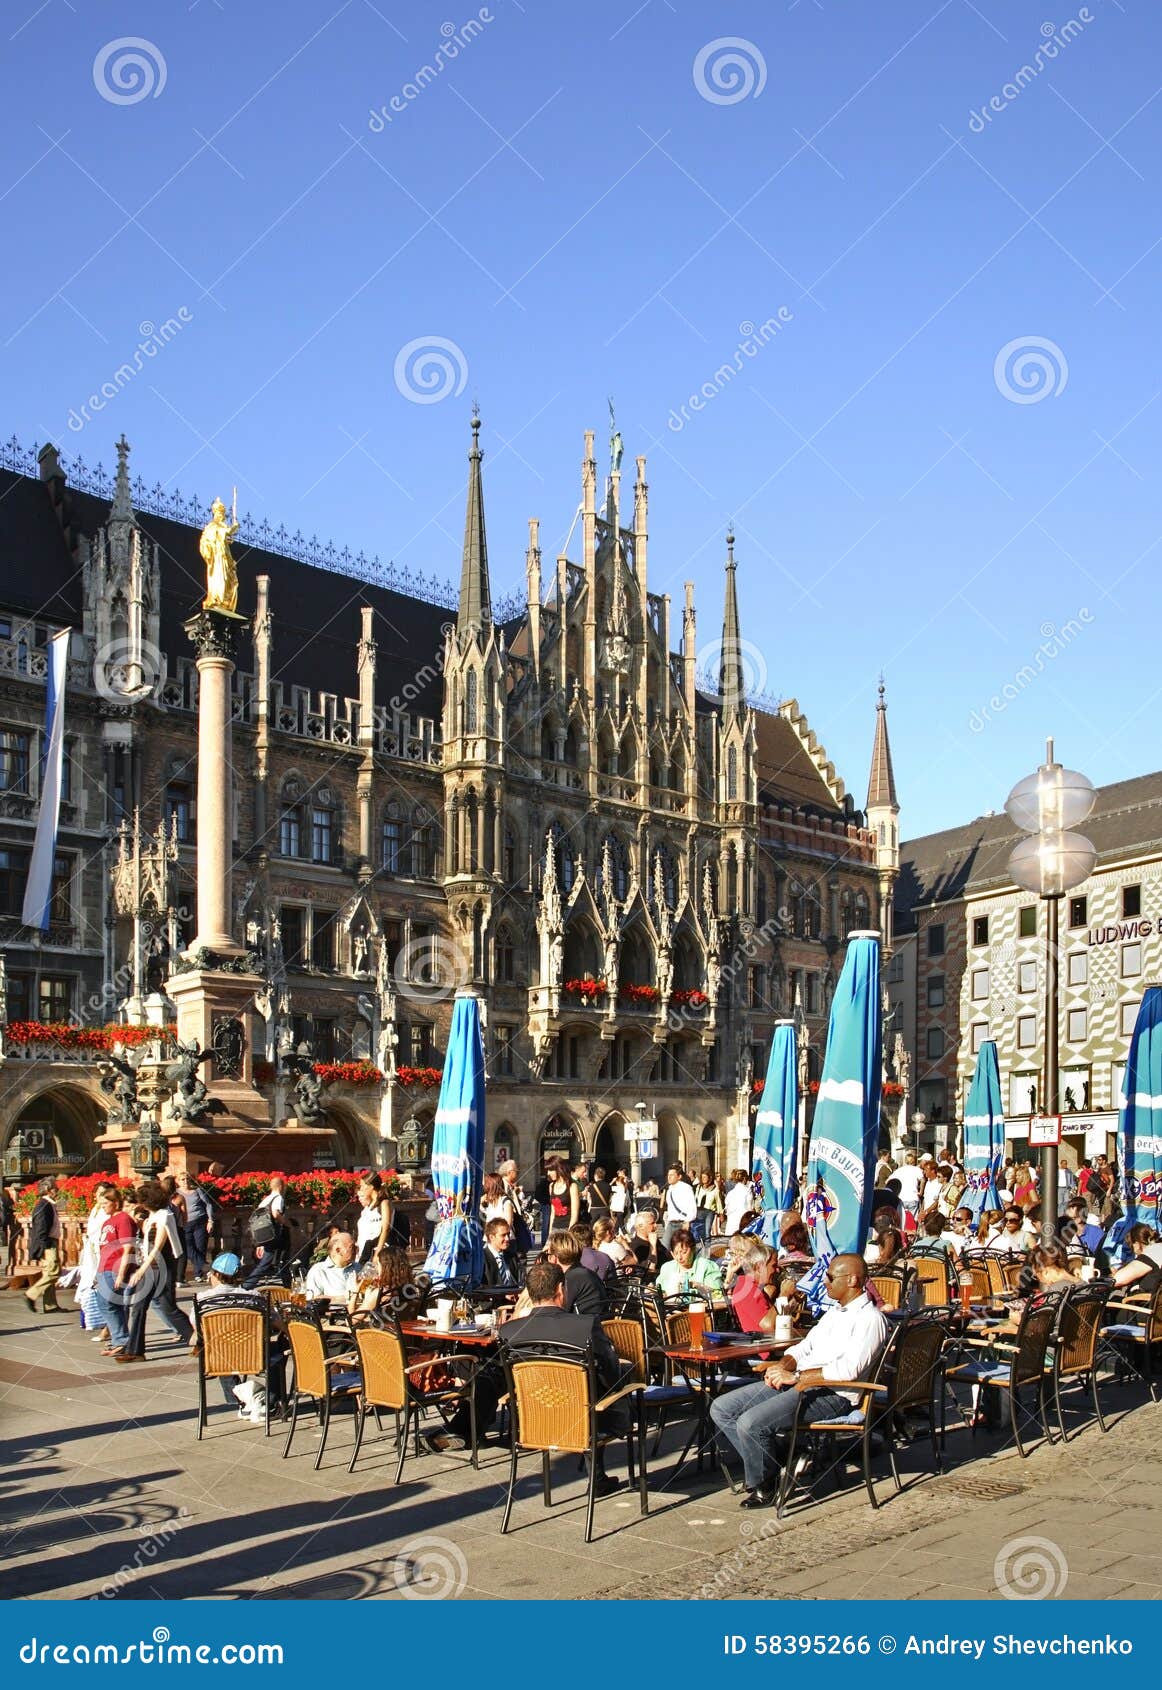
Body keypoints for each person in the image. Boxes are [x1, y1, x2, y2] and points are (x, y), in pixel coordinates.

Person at [710, 1253, 889, 1507]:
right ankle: (780, 1459)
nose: (824, 1282)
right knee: (722, 1408)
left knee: (751, 1423)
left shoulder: (870, 1320)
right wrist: (783, 1364)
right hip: (800, 1382)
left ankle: (765, 1484)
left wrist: (794, 1376)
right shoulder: (834, 1314)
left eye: (829, 1277)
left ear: (851, 1280)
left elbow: (848, 1370)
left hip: (833, 1394)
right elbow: (804, 1347)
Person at [502, 1260, 631, 1494]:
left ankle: (598, 1475)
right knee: (616, 1380)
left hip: (533, 1422)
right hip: (583, 1420)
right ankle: (601, 1475)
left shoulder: (510, 1332)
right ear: (561, 1290)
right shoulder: (584, 1326)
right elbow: (610, 1370)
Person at [128, 1181, 194, 1351]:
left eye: (141, 1201)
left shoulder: (165, 1216)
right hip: (151, 1267)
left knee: (168, 1307)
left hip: (161, 1268)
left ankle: (197, 1340)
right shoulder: (153, 1216)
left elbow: (157, 1246)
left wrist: (141, 1270)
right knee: (138, 1307)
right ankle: (135, 1350)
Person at [94, 1188, 141, 1360]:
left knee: (108, 1303)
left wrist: (121, 1273)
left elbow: (128, 1246)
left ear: (115, 1202)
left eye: (106, 1203)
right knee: (105, 1303)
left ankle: (121, 1340)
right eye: (101, 1203)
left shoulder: (123, 1219)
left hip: (114, 1268)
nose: (103, 1206)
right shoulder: (109, 1221)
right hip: (104, 1267)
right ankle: (119, 1339)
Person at [546, 1228, 605, 1320]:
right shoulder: (585, 1273)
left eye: (548, 1254)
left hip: (584, 1328)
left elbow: (557, 1311)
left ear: (554, 1258)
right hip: (598, 1324)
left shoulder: (571, 1278)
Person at [245, 1174, 292, 1287]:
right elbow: (276, 1214)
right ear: (281, 1187)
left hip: (266, 1235)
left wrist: (260, 1243)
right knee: (276, 1261)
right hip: (276, 1235)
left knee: (274, 1260)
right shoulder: (278, 1198)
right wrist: (286, 1222)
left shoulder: (265, 1200)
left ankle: (287, 1284)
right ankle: (247, 1285)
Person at [25, 1177, 62, 1314]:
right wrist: (44, 1247)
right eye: (54, 1188)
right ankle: (31, 1294)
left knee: (49, 1273)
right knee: (53, 1272)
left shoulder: (48, 1204)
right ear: (48, 1190)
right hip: (48, 1243)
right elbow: (40, 1229)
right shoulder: (44, 1205)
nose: (57, 1190)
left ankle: (50, 1304)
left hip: (50, 1241)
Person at [656, 1228, 726, 1298]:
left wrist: (699, 1286)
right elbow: (659, 1290)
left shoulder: (706, 1266)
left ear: (693, 1249)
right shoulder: (667, 1268)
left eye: (684, 1252)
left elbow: (718, 1293)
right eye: (676, 1253)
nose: (679, 1257)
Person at [730, 1239, 780, 1335]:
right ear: (759, 1267)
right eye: (774, 1266)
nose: (777, 1270)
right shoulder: (746, 1290)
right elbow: (768, 1325)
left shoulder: (753, 1287)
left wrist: (794, 1298)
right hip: (763, 1347)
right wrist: (784, 1294)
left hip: (772, 1344)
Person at [177, 1172, 214, 1281]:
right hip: (185, 1223)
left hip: (200, 1222)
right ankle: (205, 1266)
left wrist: (210, 1220)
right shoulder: (176, 1193)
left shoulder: (197, 1191)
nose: (185, 1181)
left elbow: (208, 1204)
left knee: (200, 1247)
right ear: (178, 1181)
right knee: (188, 1248)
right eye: (182, 1179)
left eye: (187, 1179)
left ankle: (198, 1274)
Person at [304, 1231, 359, 1302]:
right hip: (333, 1312)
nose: (357, 1250)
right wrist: (347, 1298)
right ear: (338, 1250)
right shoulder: (319, 1271)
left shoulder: (358, 1268)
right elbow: (313, 1300)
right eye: (352, 1247)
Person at [1111, 1224, 1162, 1297]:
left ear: (1137, 1244)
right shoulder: (1159, 1248)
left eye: (1131, 1246)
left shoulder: (1152, 1252)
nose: (1133, 1252)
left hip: (1144, 1306)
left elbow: (1117, 1280)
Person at [354, 1172, 391, 1268]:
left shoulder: (384, 1203)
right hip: (363, 1250)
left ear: (371, 1187)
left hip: (375, 1249)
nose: (361, 1189)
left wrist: (378, 1251)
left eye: (362, 1186)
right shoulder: (369, 1206)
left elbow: (385, 1228)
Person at [662, 1162, 698, 1248]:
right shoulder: (669, 1189)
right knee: (664, 1246)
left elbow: (692, 1206)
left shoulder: (686, 1188)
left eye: (672, 1175)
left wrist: (688, 1222)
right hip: (671, 1223)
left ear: (679, 1177)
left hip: (682, 1223)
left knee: (682, 1247)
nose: (669, 1177)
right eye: (668, 1175)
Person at [481, 1217, 521, 1289]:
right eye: (503, 1235)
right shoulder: (482, 1259)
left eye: (508, 1234)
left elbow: (520, 1280)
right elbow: (481, 1287)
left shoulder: (512, 1256)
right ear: (491, 1237)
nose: (507, 1238)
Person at [629, 1209, 670, 1276]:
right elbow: (649, 1270)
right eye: (652, 1223)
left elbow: (667, 1255)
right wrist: (653, 1246)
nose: (656, 1226)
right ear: (641, 1226)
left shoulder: (653, 1238)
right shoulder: (636, 1246)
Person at [546, 1158, 579, 1232]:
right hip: (555, 1227)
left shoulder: (572, 1186)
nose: (548, 1173)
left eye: (551, 1170)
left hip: (568, 1228)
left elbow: (575, 1214)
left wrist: (569, 1233)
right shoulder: (551, 1186)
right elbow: (553, 1212)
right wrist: (550, 1231)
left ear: (559, 1169)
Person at [893, 1152, 925, 1227]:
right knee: (913, 1221)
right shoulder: (917, 1169)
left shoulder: (899, 1170)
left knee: (902, 1221)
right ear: (914, 1161)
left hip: (901, 1198)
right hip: (913, 1197)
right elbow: (923, 1180)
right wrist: (921, 1192)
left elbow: (888, 1180)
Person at [694, 1170, 723, 1242]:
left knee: (707, 1231)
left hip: (709, 1212)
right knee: (697, 1230)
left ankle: (707, 1248)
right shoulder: (698, 1187)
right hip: (699, 1210)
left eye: (705, 1177)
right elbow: (695, 1199)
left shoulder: (715, 1189)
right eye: (702, 1177)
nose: (703, 1179)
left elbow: (718, 1202)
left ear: (709, 1178)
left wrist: (721, 1213)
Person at [723, 1169, 754, 1235]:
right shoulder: (747, 1191)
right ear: (745, 1178)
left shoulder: (730, 1193)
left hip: (731, 1222)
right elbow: (750, 1208)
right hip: (743, 1220)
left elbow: (726, 1208)